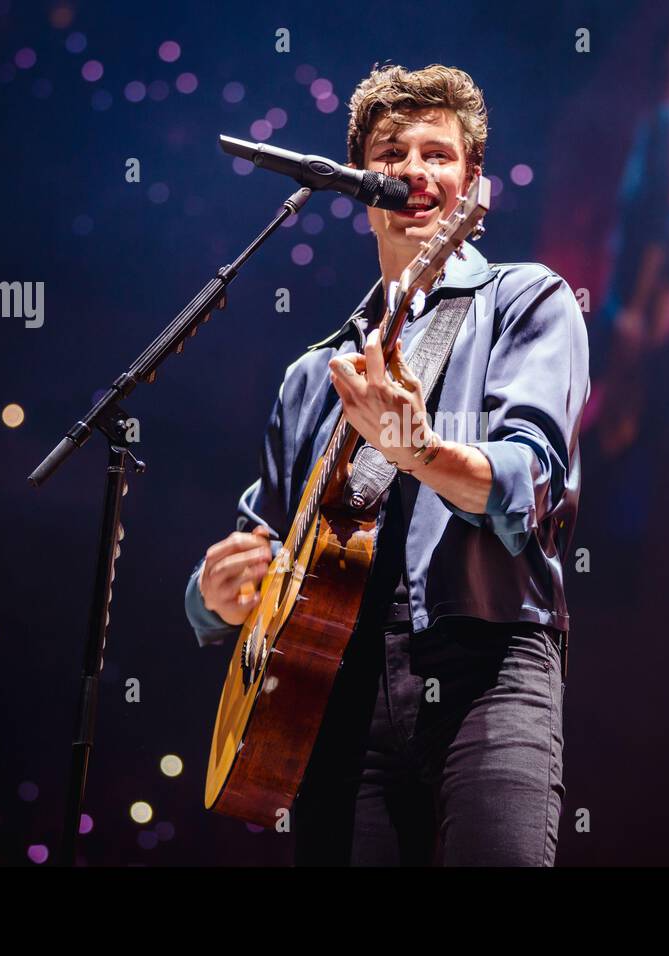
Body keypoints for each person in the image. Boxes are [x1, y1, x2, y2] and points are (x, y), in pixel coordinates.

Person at [185, 63, 589, 866]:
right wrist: (214, 595)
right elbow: (267, 548)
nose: (413, 170)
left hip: (489, 665)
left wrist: (419, 450)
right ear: (361, 189)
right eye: (390, 153)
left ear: (476, 185)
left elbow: (528, 484)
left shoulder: (529, 302)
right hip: (334, 689)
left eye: (438, 154)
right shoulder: (314, 376)